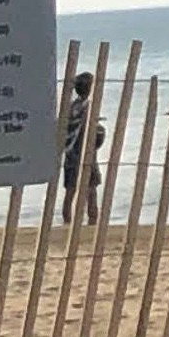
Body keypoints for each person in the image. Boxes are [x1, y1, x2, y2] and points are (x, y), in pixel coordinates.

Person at [59, 72, 103, 225]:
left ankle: (67, 222)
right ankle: (92, 222)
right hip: (84, 154)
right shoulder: (88, 107)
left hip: (71, 154)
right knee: (90, 191)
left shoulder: (71, 107)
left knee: (70, 192)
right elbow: (92, 130)